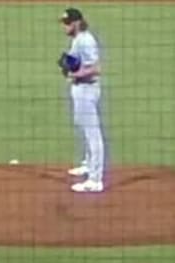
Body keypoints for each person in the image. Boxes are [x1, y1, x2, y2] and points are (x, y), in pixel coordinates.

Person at [59, 8, 106, 193]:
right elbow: (77, 63)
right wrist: (70, 66)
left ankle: (95, 179)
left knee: (93, 133)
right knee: (83, 128)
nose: (65, 26)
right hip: (80, 89)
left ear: (77, 23)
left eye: (67, 23)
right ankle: (88, 163)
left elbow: (96, 68)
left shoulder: (86, 40)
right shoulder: (77, 39)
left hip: (87, 90)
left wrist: (74, 73)